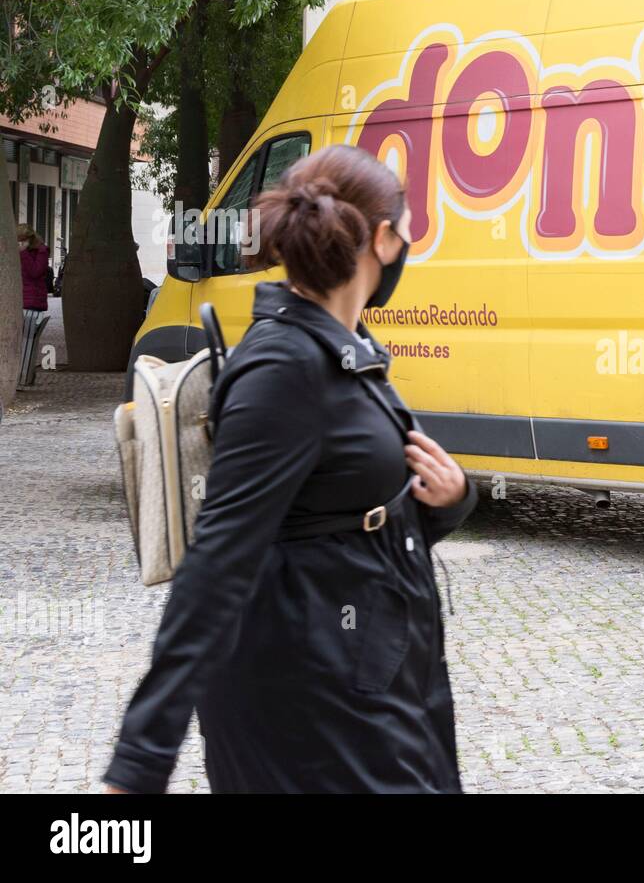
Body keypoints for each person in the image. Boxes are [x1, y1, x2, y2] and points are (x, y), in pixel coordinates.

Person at [103, 144, 478, 793]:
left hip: (362, 672)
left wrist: (448, 500)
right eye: (410, 232)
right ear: (383, 240)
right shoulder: (284, 367)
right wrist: (137, 766)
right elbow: (218, 561)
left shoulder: (346, 349)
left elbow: (330, 516)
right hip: (310, 701)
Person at [18, 224, 50, 313]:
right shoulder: (21, 251)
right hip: (20, 297)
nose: (20, 243)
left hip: (33, 300)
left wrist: (23, 252)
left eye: (22, 240)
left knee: (28, 326)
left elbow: (35, 272)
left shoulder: (41, 251)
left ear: (29, 239)